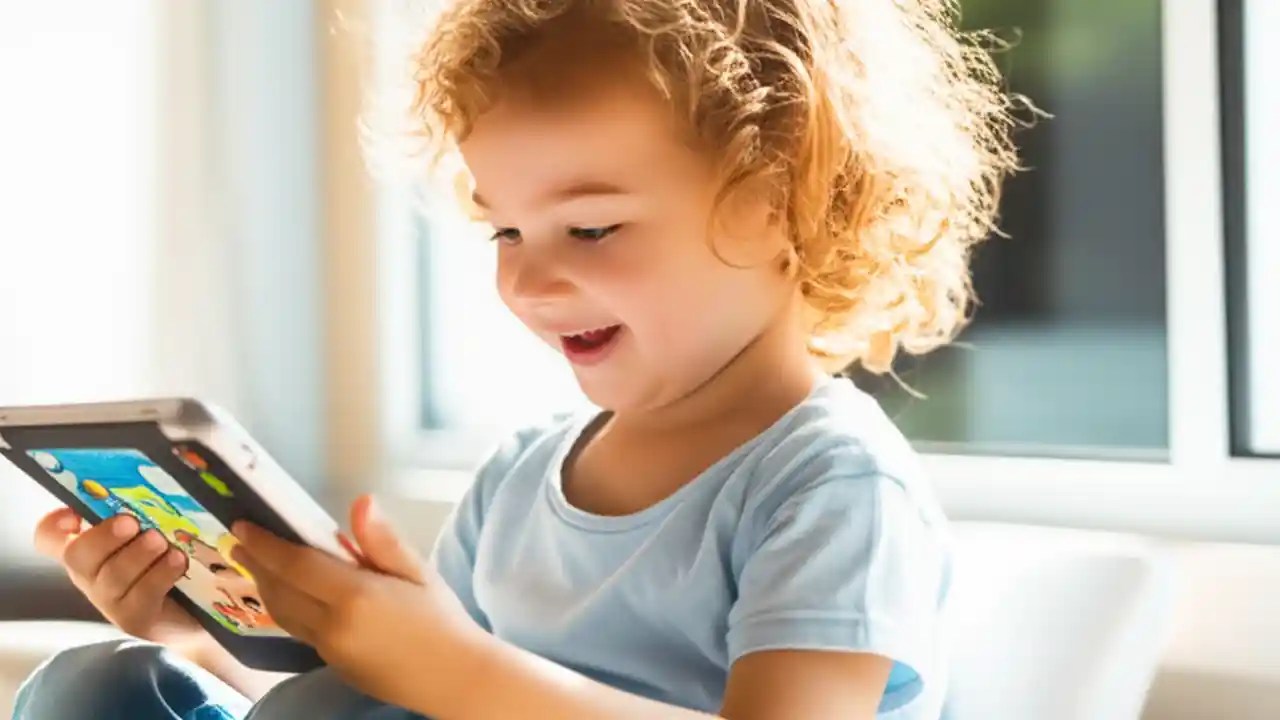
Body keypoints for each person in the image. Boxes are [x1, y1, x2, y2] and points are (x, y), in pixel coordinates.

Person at [16, 0, 1018, 717]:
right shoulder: (522, 476)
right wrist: (197, 631)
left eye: (588, 229)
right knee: (99, 684)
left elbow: (458, 690)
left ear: (781, 201)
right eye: (504, 233)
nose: (529, 285)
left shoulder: (829, 484)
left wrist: (459, 674)